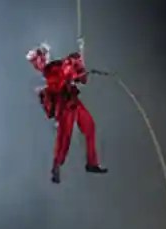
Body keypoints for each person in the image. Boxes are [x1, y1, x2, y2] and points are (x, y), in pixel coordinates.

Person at [26, 42, 109, 183]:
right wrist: (71, 70)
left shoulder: (57, 65)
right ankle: (56, 166)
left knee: (89, 126)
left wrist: (78, 67)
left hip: (72, 101)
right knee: (65, 137)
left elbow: (78, 77)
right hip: (64, 106)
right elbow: (59, 83)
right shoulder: (50, 71)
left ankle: (91, 163)